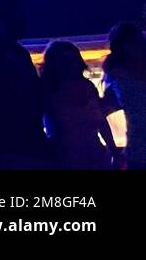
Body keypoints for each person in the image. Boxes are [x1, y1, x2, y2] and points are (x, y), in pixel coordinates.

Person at [0, 0, 47, 168]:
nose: (24, 24)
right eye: (19, 18)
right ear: (0, 17)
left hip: (25, 138)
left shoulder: (20, 52)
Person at [40, 41, 114, 169]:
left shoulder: (88, 87)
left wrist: (113, 150)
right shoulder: (46, 91)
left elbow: (102, 122)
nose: (70, 64)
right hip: (65, 159)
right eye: (65, 59)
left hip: (95, 156)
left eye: (73, 59)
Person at [101, 20, 146, 170]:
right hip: (138, 148)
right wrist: (113, 149)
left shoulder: (117, 77)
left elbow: (103, 110)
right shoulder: (117, 77)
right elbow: (101, 112)